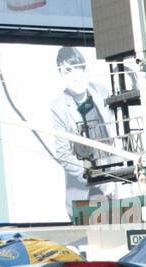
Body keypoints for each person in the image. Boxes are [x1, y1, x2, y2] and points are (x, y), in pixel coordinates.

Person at [50, 46, 113, 214]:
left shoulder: (101, 91)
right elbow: (63, 154)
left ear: (84, 68)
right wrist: (96, 177)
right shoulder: (59, 107)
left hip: (114, 187)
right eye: (66, 71)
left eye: (76, 68)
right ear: (61, 75)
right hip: (83, 194)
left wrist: (113, 175)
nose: (73, 76)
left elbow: (115, 135)